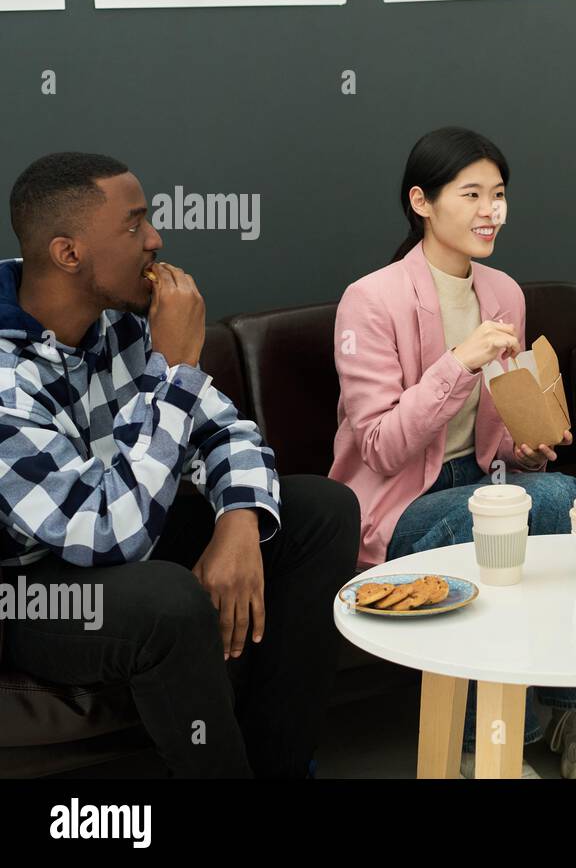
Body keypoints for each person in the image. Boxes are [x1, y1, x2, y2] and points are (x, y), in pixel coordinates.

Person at [0, 151, 359, 777]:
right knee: (167, 597)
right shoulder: (6, 376)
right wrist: (179, 371)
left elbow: (227, 430)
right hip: (34, 589)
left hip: (125, 535)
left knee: (322, 510)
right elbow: (111, 534)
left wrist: (240, 521)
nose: (156, 240)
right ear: (68, 253)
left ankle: (281, 767)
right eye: (134, 224)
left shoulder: (123, 327)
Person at [329, 127, 576, 779]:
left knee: (557, 498)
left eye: (498, 195)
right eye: (470, 194)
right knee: (550, 502)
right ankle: (492, 735)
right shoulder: (371, 300)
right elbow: (382, 449)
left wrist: (529, 448)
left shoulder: (504, 294)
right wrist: (458, 362)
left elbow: (500, 434)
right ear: (421, 201)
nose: (489, 211)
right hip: (395, 512)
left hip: (483, 484)